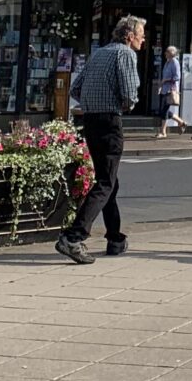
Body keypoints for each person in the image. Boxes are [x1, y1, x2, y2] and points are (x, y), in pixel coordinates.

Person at [58, 15, 144, 265]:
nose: (143, 39)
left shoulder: (100, 53)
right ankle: (74, 236)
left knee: (109, 180)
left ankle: (115, 238)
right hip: (109, 121)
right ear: (129, 36)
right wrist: (125, 102)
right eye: (140, 34)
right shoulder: (126, 54)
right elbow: (129, 95)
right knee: (105, 182)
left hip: (91, 120)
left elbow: (75, 89)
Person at [154, 45, 185, 137]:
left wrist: (165, 80)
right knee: (163, 110)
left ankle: (163, 132)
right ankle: (181, 122)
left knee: (164, 110)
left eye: (167, 51)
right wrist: (161, 85)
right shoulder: (167, 62)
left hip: (170, 90)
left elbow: (177, 77)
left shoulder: (175, 62)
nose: (165, 53)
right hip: (164, 89)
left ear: (171, 53)